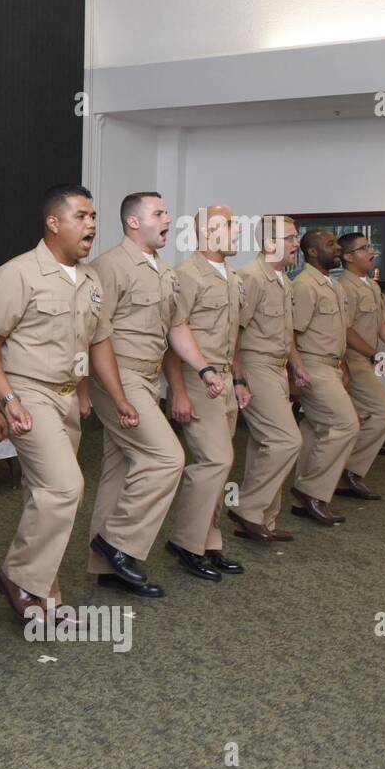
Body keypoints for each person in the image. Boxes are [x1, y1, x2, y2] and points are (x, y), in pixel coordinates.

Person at [0, 184, 139, 623]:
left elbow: (98, 342)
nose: (92, 224)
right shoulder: (18, 273)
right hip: (29, 392)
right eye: (82, 216)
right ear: (54, 223)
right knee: (66, 487)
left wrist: (112, 395)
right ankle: (19, 577)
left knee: (47, 493)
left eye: (93, 217)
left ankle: (44, 595)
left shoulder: (90, 278)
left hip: (68, 397)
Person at [84, 192, 226, 599]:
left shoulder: (164, 271)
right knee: (167, 457)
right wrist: (106, 391)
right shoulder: (109, 267)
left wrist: (204, 368)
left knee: (121, 466)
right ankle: (117, 544)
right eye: (159, 213)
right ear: (133, 222)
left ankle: (107, 568)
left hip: (146, 378)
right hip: (119, 377)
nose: (168, 218)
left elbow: (177, 328)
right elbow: (92, 333)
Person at [163, 205, 248, 581]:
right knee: (213, 460)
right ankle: (185, 541)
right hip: (198, 380)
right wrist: (178, 392)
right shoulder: (185, 276)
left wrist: (241, 381)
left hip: (226, 381)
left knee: (223, 464)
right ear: (208, 232)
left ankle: (209, 541)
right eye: (229, 225)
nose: (237, 231)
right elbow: (171, 340)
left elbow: (234, 338)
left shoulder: (231, 277)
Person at [228, 215, 310, 542]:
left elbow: (287, 333)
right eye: (290, 238)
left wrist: (297, 366)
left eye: (296, 238)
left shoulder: (284, 280)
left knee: (265, 443)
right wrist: (238, 378)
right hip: (255, 366)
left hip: (277, 369)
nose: (296, 244)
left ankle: (263, 521)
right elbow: (234, 332)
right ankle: (247, 508)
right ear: (269, 243)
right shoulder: (251, 278)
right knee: (287, 440)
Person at [288, 230, 359, 526]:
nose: (337, 248)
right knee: (346, 425)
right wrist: (296, 371)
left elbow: (335, 333)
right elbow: (291, 332)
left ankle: (302, 493)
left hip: (330, 365)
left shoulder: (332, 284)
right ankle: (312, 492)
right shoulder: (305, 285)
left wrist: (341, 364)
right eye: (330, 244)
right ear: (313, 252)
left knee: (316, 428)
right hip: (313, 366)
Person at [336, 232, 385, 499]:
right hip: (352, 360)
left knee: (360, 418)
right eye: (364, 248)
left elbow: (381, 325)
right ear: (348, 257)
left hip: (367, 358)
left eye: (370, 246)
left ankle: (340, 473)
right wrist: (373, 355)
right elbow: (345, 331)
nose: (372, 252)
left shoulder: (370, 286)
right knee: (384, 413)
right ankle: (349, 470)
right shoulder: (343, 288)